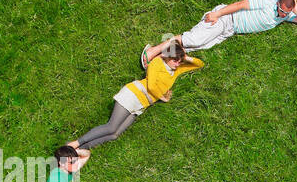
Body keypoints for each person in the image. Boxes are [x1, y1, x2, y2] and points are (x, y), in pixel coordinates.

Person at [72, 40, 203, 151]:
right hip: (133, 95)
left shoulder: (177, 70)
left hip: (141, 105)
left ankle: (81, 149)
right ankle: (76, 143)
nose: (177, 63)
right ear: (168, 56)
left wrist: (185, 57)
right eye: (175, 60)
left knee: (115, 135)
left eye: (179, 61)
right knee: (111, 127)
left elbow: (199, 64)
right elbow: (151, 86)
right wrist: (162, 97)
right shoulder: (156, 63)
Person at [163, 0, 297, 55]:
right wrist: (217, 14)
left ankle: (163, 56)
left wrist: (296, 11)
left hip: (230, 30)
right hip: (226, 19)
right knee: (194, 39)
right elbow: (240, 4)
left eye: (287, 12)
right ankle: (153, 51)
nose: (283, 14)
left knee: (199, 46)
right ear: (278, 4)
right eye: (283, 11)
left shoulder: (286, 15)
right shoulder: (266, 1)